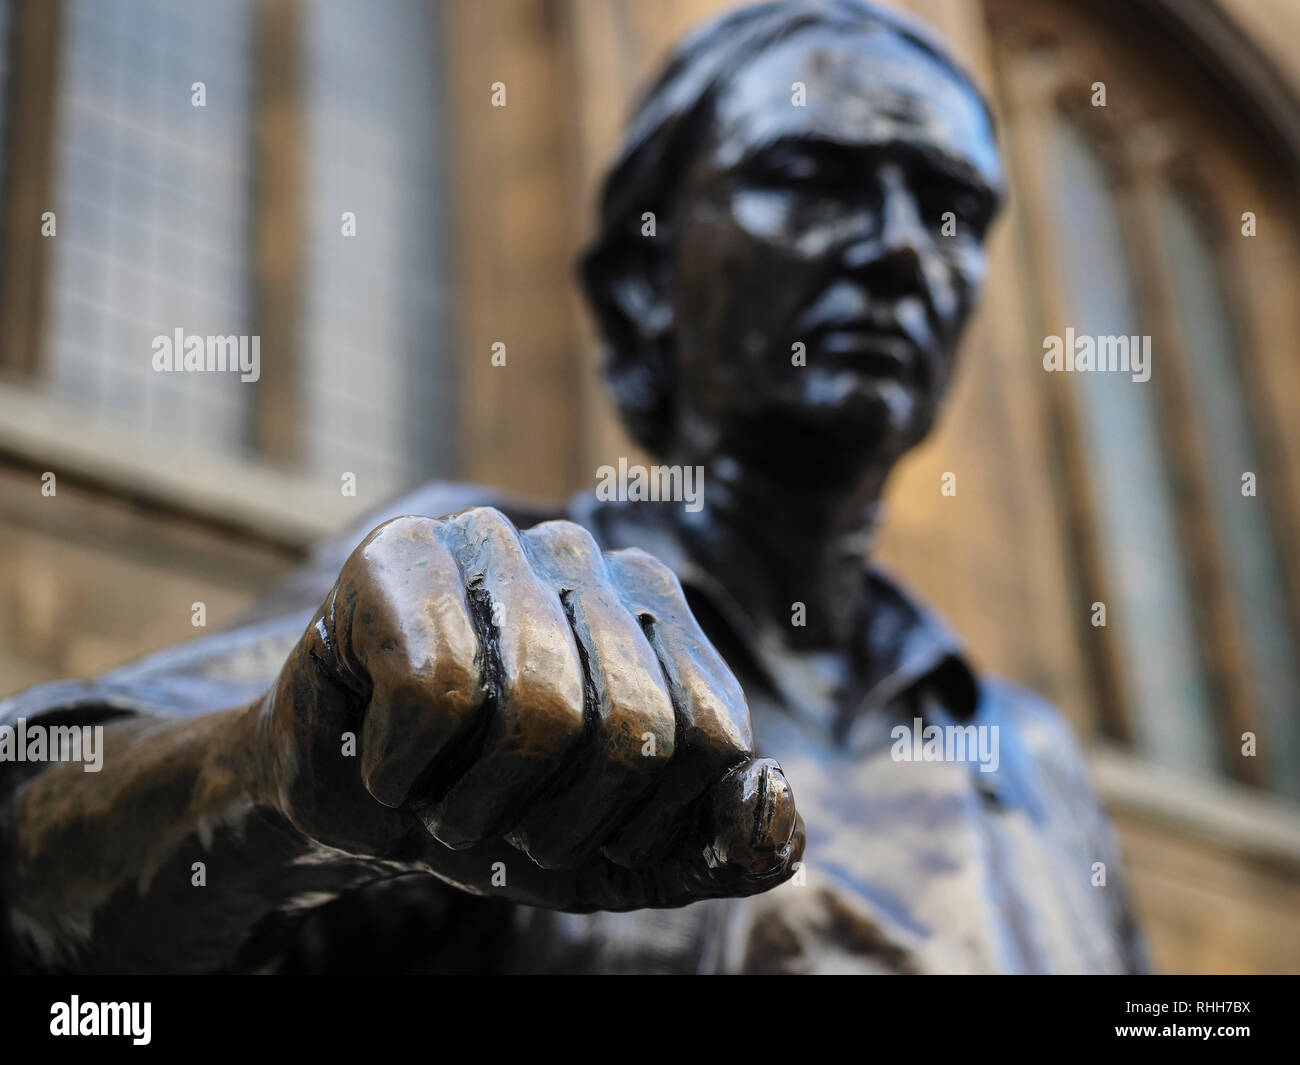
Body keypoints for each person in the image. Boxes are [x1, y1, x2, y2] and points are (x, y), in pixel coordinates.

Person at [0, 0, 1147, 974]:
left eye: (952, 212)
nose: (903, 249)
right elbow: (30, 845)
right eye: (810, 177)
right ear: (644, 281)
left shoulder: (1033, 759)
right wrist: (273, 772)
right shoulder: (484, 609)